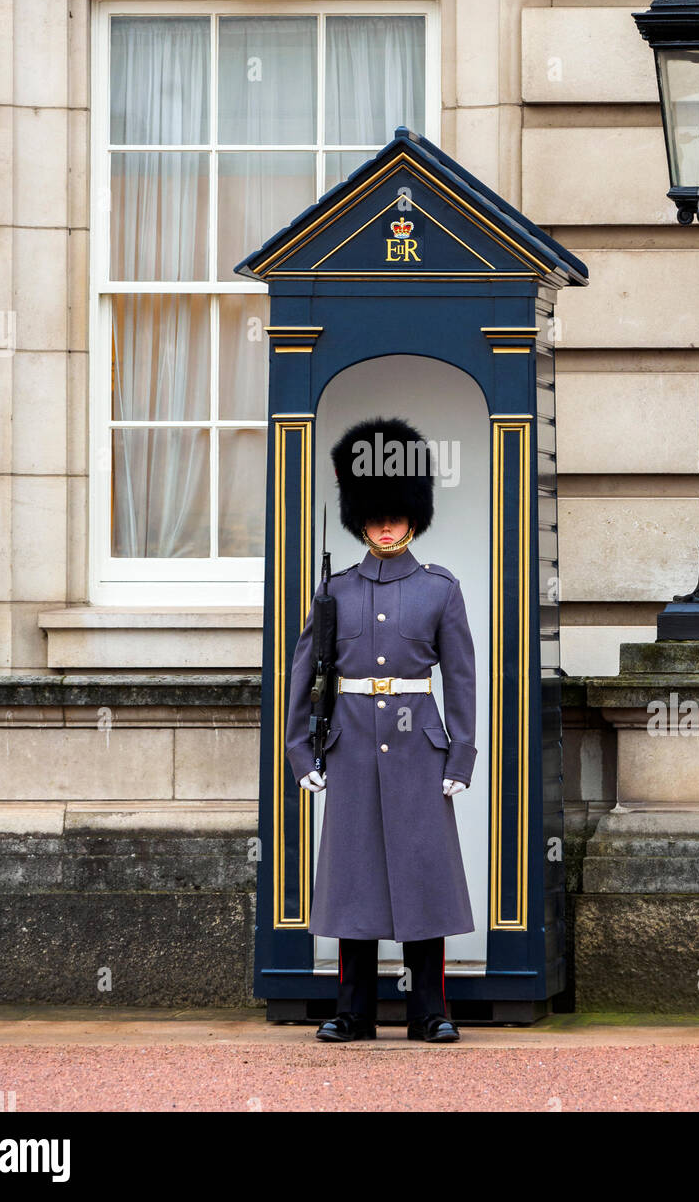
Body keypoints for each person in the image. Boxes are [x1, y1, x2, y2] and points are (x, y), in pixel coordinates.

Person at [284, 415, 477, 1044]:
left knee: (423, 878)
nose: (386, 523)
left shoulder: (439, 591)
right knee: (354, 880)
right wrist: (299, 748)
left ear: (412, 516)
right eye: (376, 514)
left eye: (395, 513)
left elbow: (462, 680)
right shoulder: (335, 590)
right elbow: (306, 672)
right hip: (351, 746)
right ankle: (354, 1010)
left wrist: (460, 758)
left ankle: (429, 1011)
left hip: (419, 748)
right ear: (360, 518)